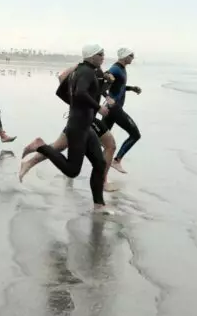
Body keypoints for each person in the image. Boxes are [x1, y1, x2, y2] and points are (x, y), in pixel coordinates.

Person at [21, 44, 110, 212]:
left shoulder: (81, 70)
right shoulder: (87, 72)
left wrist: (76, 106)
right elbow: (81, 93)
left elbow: (61, 92)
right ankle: (40, 146)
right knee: (72, 170)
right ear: (91, 56)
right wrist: (98, 108)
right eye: (100, 54)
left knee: (99, 164)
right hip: (78, 127)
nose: (103, 56)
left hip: (84, 125)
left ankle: (99, 205)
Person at [18, 63, 119, 192]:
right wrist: (77, 67)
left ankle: (30, 161)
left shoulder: (96, 71)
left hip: (84, 118)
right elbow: (61, 77)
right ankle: (103, 182)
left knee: (59, 147)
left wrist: (107, 89)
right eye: (100, 54)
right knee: (110, 145)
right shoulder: (84, 69)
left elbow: (96, 91)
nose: (102, 57)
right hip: (82, 119)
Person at [102, 47, 142, 174]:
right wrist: (107, 97)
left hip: (111, 109)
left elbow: (119, 86)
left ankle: (76, 156)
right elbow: (103, 81)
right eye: (131, 55)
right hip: (114, 109)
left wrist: (132, 88)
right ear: (125, 56)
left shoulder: (121, 69)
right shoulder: (115, 69)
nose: (133, 57)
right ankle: (116, 160)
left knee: (98, 139)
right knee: (135, 134)